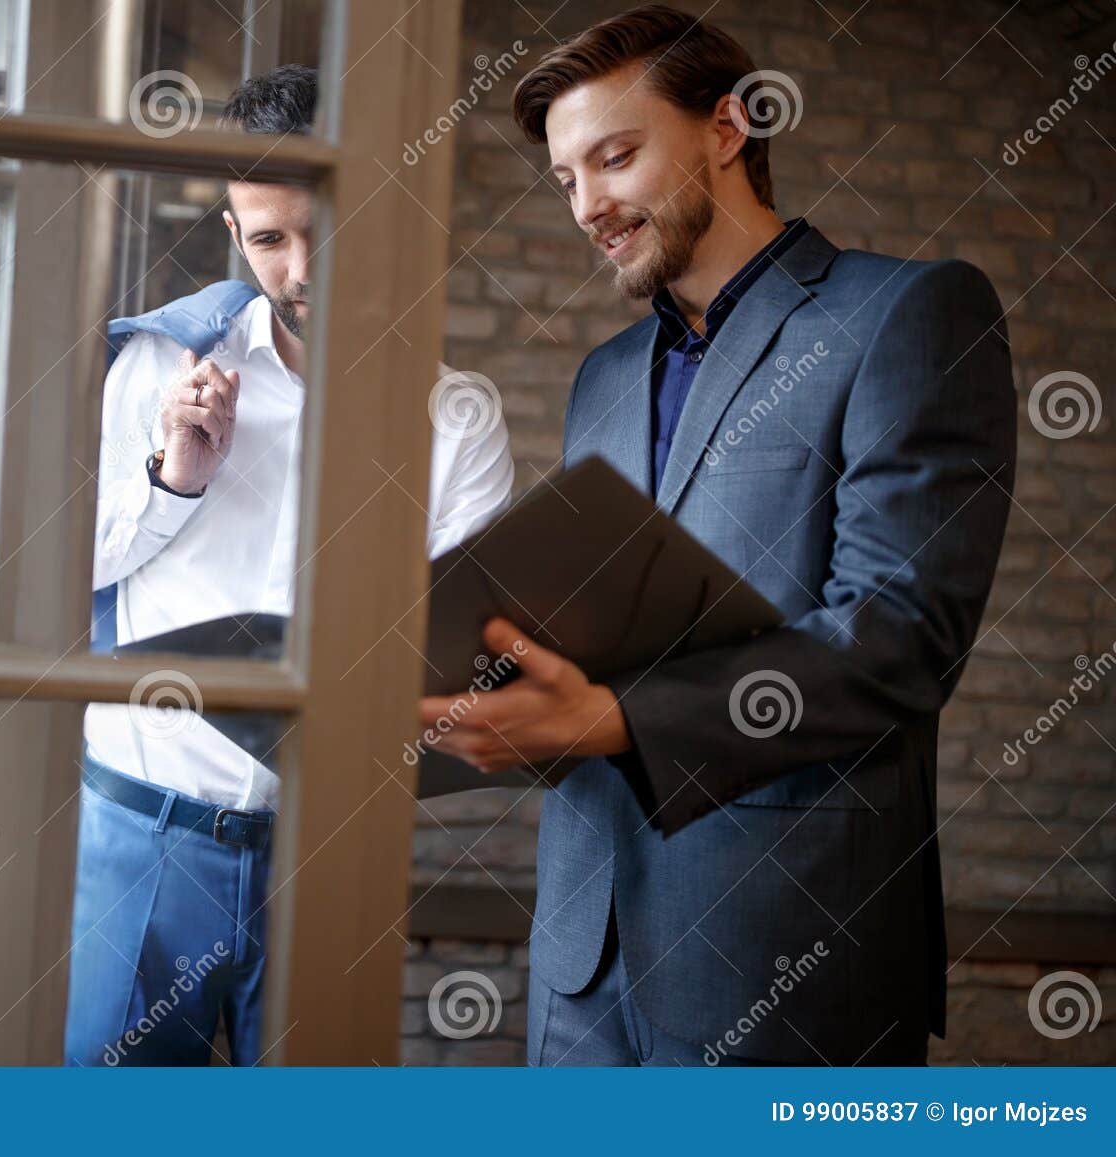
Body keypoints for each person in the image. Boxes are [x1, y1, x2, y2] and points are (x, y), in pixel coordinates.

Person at [421, 6, 1015, 1066]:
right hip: (582, 958)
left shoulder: (906, 314)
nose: (589, 206)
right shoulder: (602, 376)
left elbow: (899, 636)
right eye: (566, 179)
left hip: (784, 947)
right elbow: (606, 633)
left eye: (615, 156)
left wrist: (610, 718)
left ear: (730, 128)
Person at [65, 64, 515, 1066]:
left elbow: (465, 657)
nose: (303, 267)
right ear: (235, 234)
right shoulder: (156, 367)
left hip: (330, 857)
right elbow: (69, 574)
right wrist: (175, 477)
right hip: (141, 836)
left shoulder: (458, 420)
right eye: (269, 239)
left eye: (328, 228)